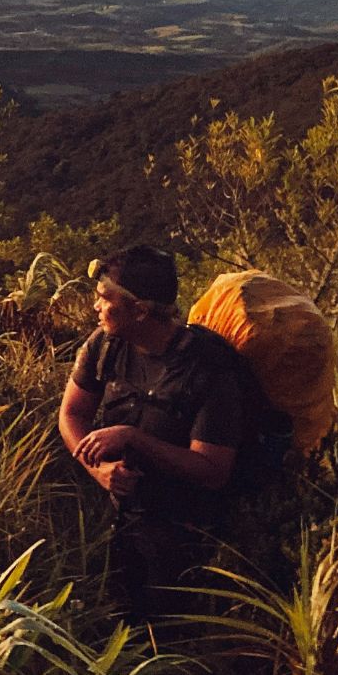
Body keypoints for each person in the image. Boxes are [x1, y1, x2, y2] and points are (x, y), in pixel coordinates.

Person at [57, 245, 244, 617]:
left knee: (165, 634)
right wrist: (99, 473)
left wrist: (133, 437)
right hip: (115, 521)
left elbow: (213, 469)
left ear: (141, 310)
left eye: (105, 299)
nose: (96, 307)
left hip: (186, 535)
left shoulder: (210, 367)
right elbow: (72, 414)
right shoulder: (104, 345)